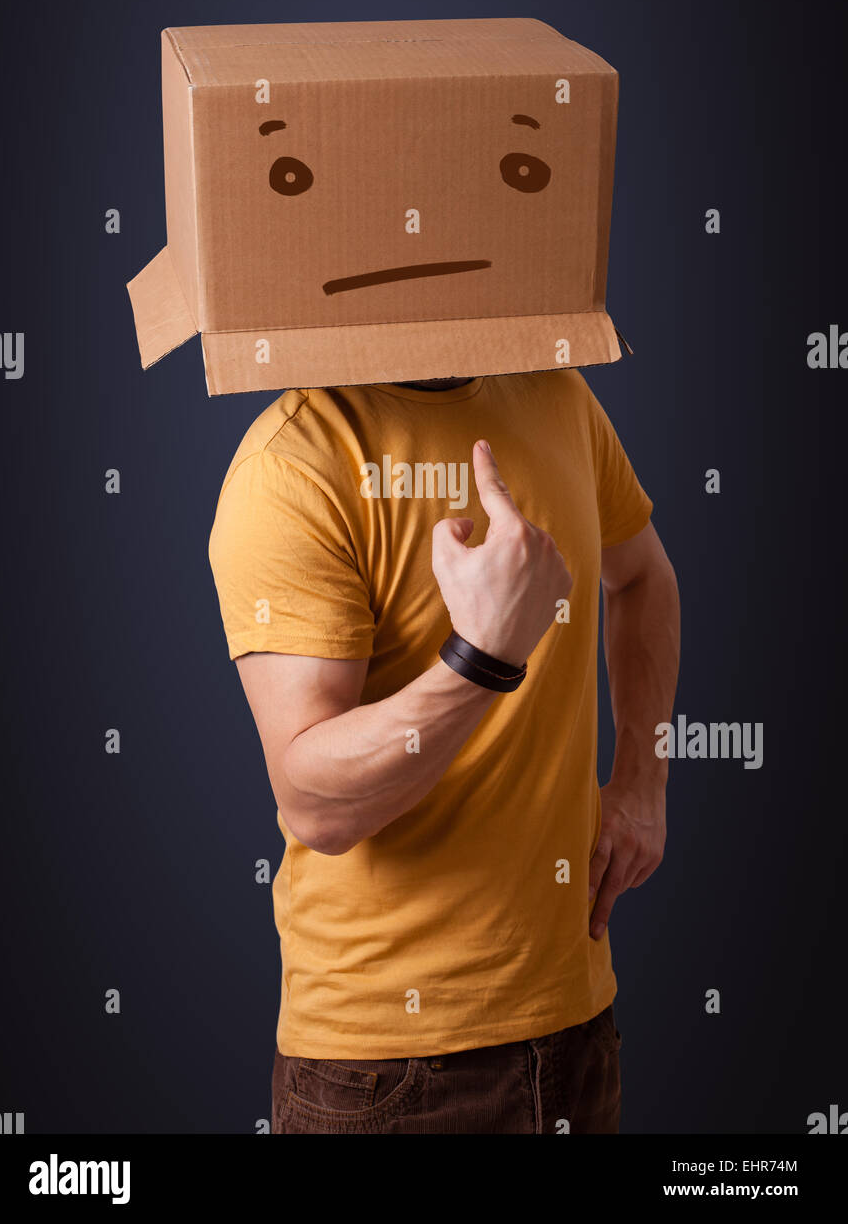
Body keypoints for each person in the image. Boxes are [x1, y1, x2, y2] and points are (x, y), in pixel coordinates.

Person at [208, 367, 680, 1134]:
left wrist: (641, 780)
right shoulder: (293, 464)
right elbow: (315, 804)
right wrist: (483, 657)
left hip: (576, 1022)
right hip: (385, 1070)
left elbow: (642, 578)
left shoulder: (556, 390)